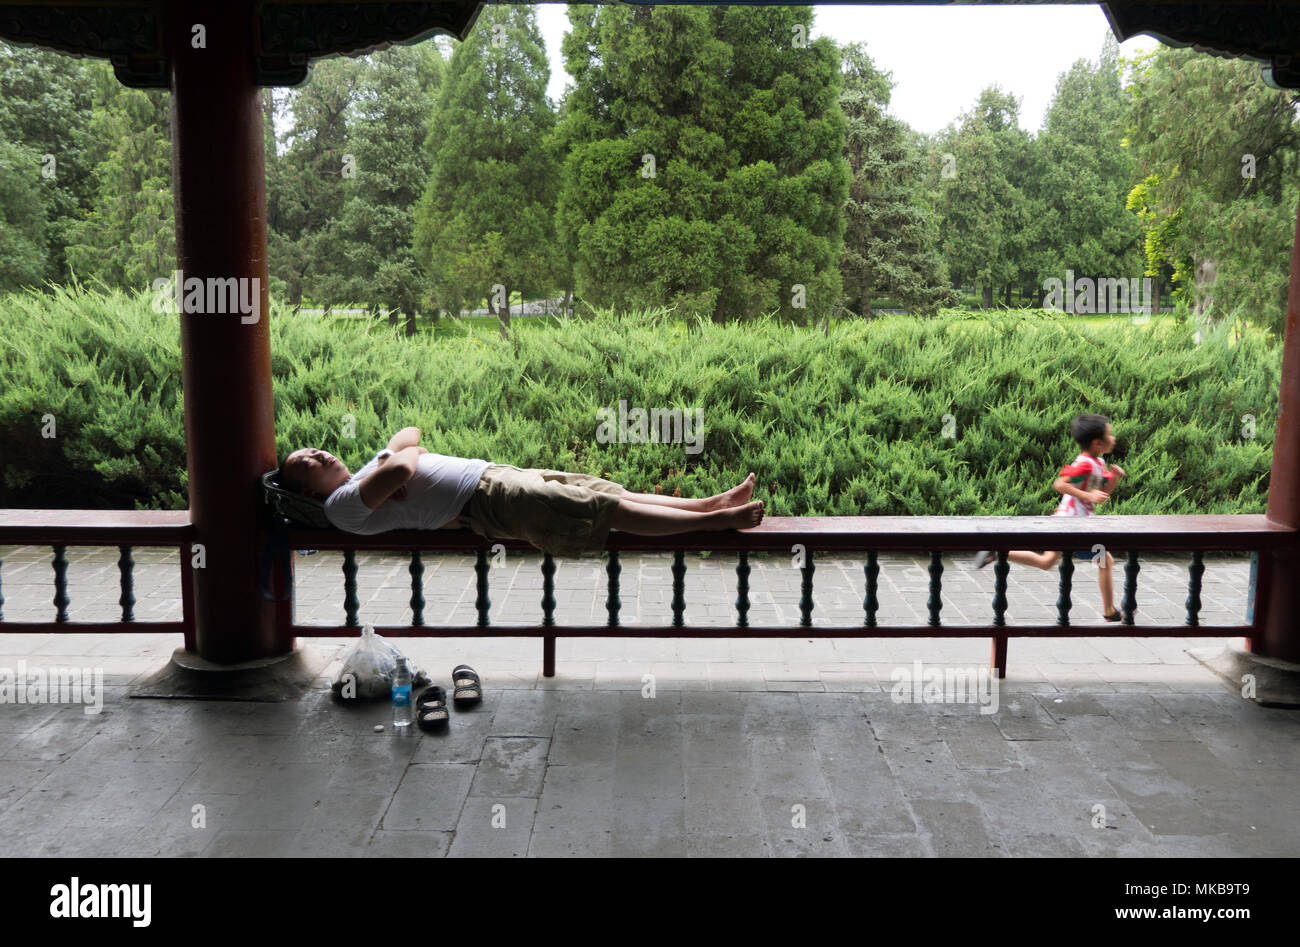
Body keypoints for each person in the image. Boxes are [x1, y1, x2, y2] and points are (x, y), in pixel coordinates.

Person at [279, 426, 764, 558]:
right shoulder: (343, 507)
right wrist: (397, 463)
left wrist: (389, 458)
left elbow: (410, 434)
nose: (319, 454)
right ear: (307, 490)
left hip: (498, 476)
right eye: (307, 462)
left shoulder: (365, 474)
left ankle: (709, 503)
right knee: (602, 511)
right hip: (490, 501)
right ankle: (712, 522)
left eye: (317, 450)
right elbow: (409, 457)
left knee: (608, 491)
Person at [972, 413, 1127, 621]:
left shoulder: (1097, 463)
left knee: (1047, 562)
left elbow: (1103, 493)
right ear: (1098, 442)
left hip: (1069, 522)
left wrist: (1114, 478)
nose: (1114, 438)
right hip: (1072, 524)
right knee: (1104, 559)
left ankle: (1000, 552)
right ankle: (1109, 611)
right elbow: (1060, 484)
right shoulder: (1085, 464)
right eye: (1111, 434)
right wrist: (1088, 495)